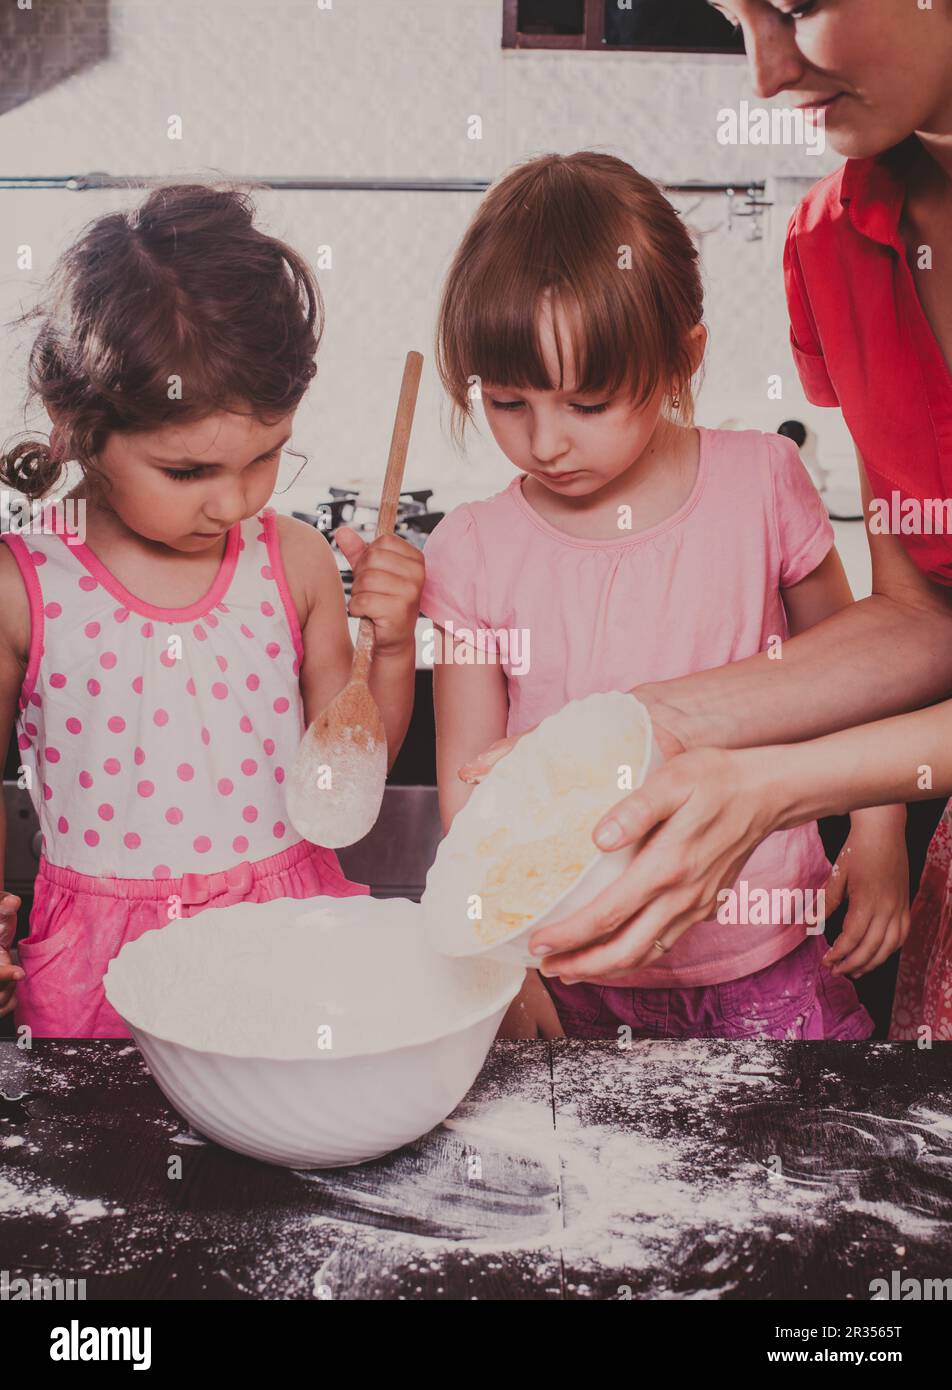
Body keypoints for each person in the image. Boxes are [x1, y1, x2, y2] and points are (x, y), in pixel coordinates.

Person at [463, 0, 952, 1042]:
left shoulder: (755, 480)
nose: (764, 75)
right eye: (739, 17)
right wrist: (641, 732)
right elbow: (917, 623)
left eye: (796, 7)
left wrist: (795, 790)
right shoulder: (837, 248)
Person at [0, 183, 423, 1036]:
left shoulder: (294, 561)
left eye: (267, 456)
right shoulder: (22, 583)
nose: (234, 502)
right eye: (188, 472)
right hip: (102, 967)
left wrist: (394, 643)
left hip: (288, 937)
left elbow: (344, 779)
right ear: (77, 424)